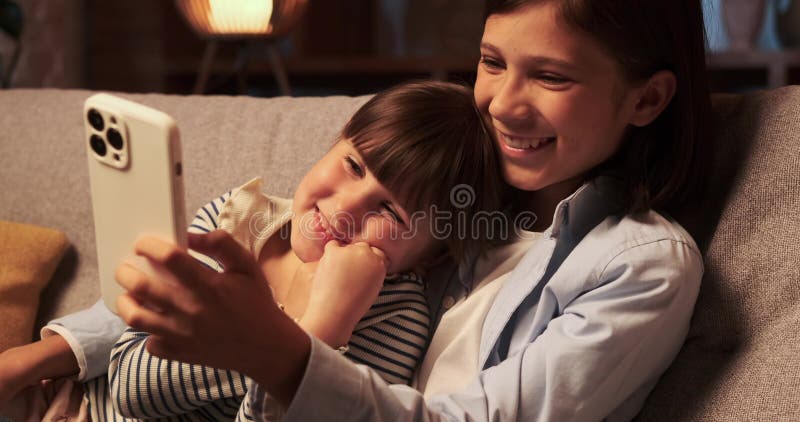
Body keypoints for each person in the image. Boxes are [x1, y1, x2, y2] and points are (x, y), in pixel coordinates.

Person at [112, 1, 710, 421]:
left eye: (551, 77)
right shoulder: (457, 194)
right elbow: (250, 236)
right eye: (492, 62)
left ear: (648, 97)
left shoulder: (641, 265)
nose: (500, 105)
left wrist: (293, 345)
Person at [0, 80, 503, 421]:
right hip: (77, 399)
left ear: (430, 256)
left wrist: (317, 330)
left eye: (390, 211)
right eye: (353, 165)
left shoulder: (391, 316)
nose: (346, 208)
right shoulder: (237, 218)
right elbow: (132, 380)